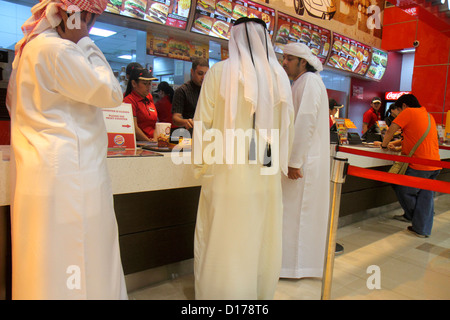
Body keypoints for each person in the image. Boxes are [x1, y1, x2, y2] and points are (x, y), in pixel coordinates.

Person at [6, 0, 127, 299]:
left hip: (42, 173)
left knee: (45, 259)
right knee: (79, 257)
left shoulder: (28, 51)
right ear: (76, 16)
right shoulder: (60, 50)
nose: (91, 25)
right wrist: (83, 39)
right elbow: (111, 92)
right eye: (90, 18)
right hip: (72, 173)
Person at [193, 17, 294, 299]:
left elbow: (203, 122)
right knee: (260, 237)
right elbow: (289, 126)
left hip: (228, 174)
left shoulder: (219, 72)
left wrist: (202, 165)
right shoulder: (280, 77)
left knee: (224, 237)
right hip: (266, 174)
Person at [281, 43, 330, 279]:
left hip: (304, 164)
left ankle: (295, 267)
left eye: (289, 59)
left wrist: (294, 161)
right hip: (302, 161)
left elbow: (305, 122)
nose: (284, 63)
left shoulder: (309, 81)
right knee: (293, 214)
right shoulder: (300, 83)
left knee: (298, 215)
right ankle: (291, 265)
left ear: (303, 62)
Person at [380, 94, 441, 238]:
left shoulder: (409, 112)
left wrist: (384, 145)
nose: (400, 113)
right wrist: (396, 146)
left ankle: (420, 223)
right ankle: (421, 226)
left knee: (403, 189)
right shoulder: (427, 115)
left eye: (399, 110)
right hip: (434, 164)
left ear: (405, 106)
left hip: (419, 164)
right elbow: (413, 137)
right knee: (425, 196)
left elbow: (391, 129)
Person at [172, 57, 209, 133]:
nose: (203, 77)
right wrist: (186, 122)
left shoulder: (210, 91)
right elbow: (175, 118)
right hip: (189, 135)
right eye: (200, 74)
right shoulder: (182, 91)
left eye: (207, 74)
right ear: (192, 72)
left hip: (208, 134)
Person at [123, 67, 158, 141]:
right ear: (134, 83)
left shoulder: (149, 97)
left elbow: (155, 124)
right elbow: (134, 128)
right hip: (140, 144)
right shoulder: (129, 100)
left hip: (152, 143)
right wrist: (148, 142)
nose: (148, 87)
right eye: (145, 84)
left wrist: (155, 139)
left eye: (149, 83)